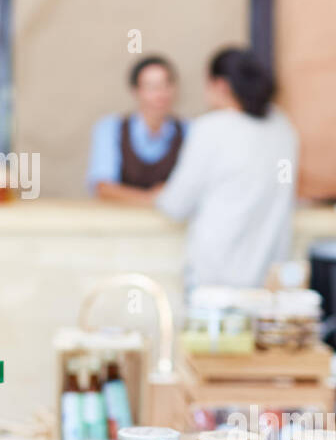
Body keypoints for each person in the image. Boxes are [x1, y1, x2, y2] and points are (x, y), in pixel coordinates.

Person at [153, 47, 299, 290]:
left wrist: (157, 194)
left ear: (220, 85)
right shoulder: (284, 128)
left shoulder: (211, 129)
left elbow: (175, 205)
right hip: (269, 281)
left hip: (215, 280)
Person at [87, 56, 187, 201]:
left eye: (166, 85)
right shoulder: (111, 129)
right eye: (152, 87)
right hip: (121, 221)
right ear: (136, 91)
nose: (161, 94)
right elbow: (103, 188)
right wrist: (151, 199)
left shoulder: (188, 131)